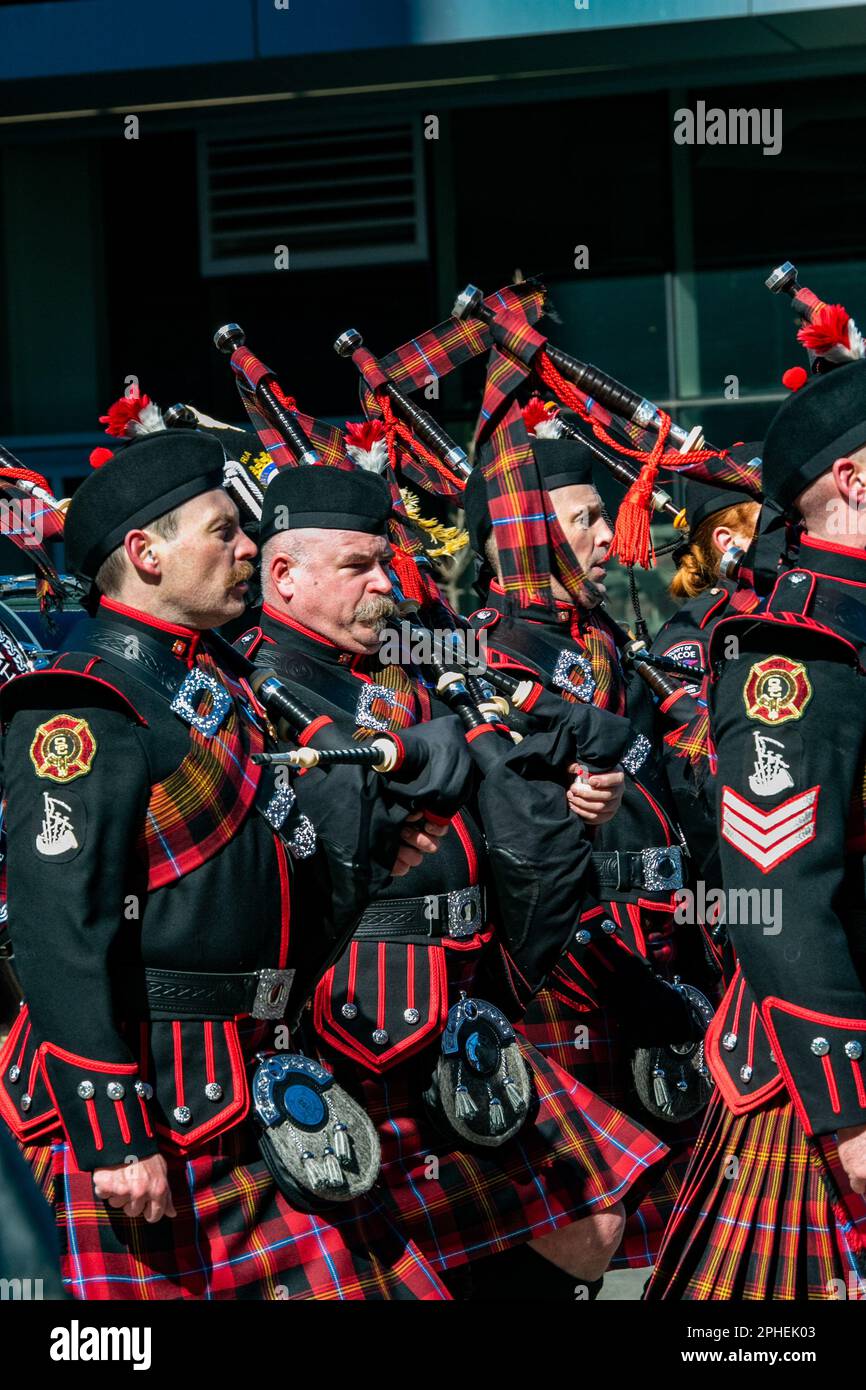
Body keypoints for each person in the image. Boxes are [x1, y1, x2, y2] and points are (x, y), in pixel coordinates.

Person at [0, 429, 450, 1300]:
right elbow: (58, 929)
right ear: (147, 554)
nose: (250, 546)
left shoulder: (218, 684)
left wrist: (378, 854)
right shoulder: (82, 707)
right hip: (155, 1099)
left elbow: (265, 863)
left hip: (255, 1071)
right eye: (222, 532)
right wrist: (111, 1134)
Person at [238, 461, 673, 1300]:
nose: (384, 584)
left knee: (590, 1225)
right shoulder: (261, 684)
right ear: (285, 576)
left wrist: (574, 794)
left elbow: (520, 737)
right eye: (358, 567)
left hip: (461, 983)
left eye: (384, 563)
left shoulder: (402, 660)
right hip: (355, 1006)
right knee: (433, 1252)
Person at [462, 407, 708, 1270]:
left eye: (607, 514)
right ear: (526, 535)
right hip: (570, 961)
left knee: (667, 1221)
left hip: (659, 940)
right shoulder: (492, 654)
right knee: (582, 1222)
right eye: (587, 517)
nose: (609, 535)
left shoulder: (601, 635)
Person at [647, 360, 866, 1299]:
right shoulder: (797, 651)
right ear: (854, 480)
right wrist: (850, 1111)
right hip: (820, 1070)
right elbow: (775, 894)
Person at [650, 464, 761, 978]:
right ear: (728, 539)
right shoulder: (692, 637)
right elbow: (700, 780)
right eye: (774, 521)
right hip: (748, 902)